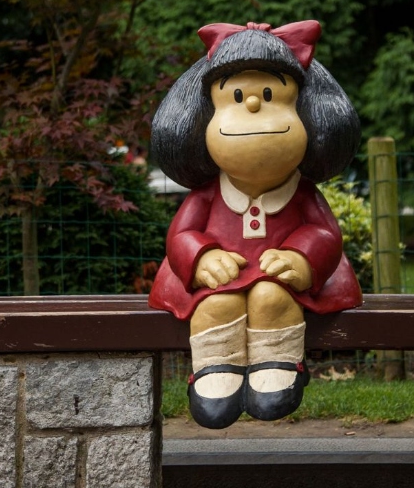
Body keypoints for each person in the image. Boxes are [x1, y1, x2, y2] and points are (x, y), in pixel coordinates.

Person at [148, 21, 362, 428]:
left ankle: (278, 362)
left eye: (269, 95)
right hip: (217, 283)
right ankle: (215, 366)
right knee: (217, 304)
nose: (251, 106)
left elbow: (325, 233)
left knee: (271, 297)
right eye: (236, 96)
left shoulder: (301, 193)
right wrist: (200, 256)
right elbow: (181, 234)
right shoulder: (208, 194)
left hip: (280, 283)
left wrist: (302, 257)